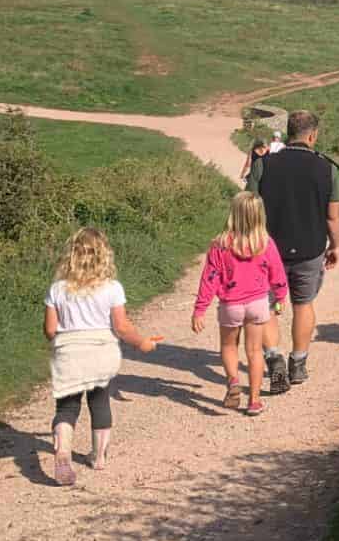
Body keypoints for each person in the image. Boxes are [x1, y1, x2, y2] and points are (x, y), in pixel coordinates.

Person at [43, 227, 162, 486]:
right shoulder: (112, 288)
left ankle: (63, 451)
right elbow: (121, 327)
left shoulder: (58, 289)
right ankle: (98, 457)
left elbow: (50, 329)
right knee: (99, 402)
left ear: (72, 255)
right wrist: (142, 343)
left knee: (67, 406)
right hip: (100, 351)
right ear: (104, 255)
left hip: (69, 351)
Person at [248, 109, 339, 392]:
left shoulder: (264, 164)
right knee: (303, 304)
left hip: (268, 249)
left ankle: (274, 359)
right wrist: (335, 245)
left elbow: (249, 207)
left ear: (289, 133)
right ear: (313, 135)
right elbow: (333, 216)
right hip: (310, 249)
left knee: (268, 307)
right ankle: (298, 363)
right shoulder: (327, 168)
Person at [191, 192, 287, 415]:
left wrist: (200, 310)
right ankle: (254, 401)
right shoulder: (265, 243)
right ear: (259, 216)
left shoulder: (220, 245)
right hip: (258, 304)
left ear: (233, 214)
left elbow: (209, 279)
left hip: (230, 305)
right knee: (254, 351)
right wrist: (281, 298)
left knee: (228, 346)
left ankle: (233, 381)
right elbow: (278, 273)